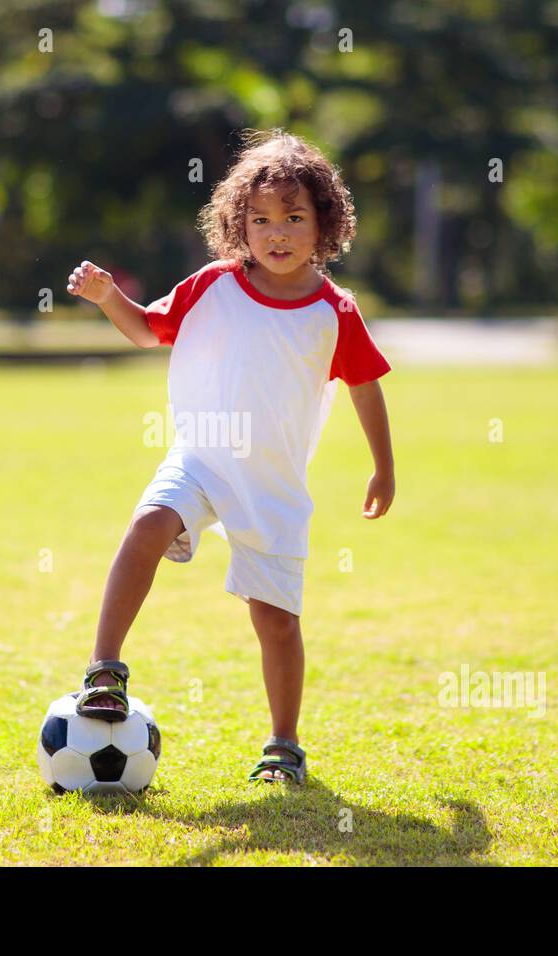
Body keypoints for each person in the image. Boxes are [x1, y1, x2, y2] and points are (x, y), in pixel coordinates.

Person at [65, 129, 394, 783]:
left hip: (271, 485)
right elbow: (147, 329)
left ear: (323, 224)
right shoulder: (213, 285)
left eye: (294, 218)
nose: (277, 233)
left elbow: (365, 387)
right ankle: (105, 669)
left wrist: (384, 466)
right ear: (237, 223)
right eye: (262, 219)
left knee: (275, 622)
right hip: (204, 456)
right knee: (146, 526)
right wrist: (108, 299)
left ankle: (284, 744)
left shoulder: (335, 311)